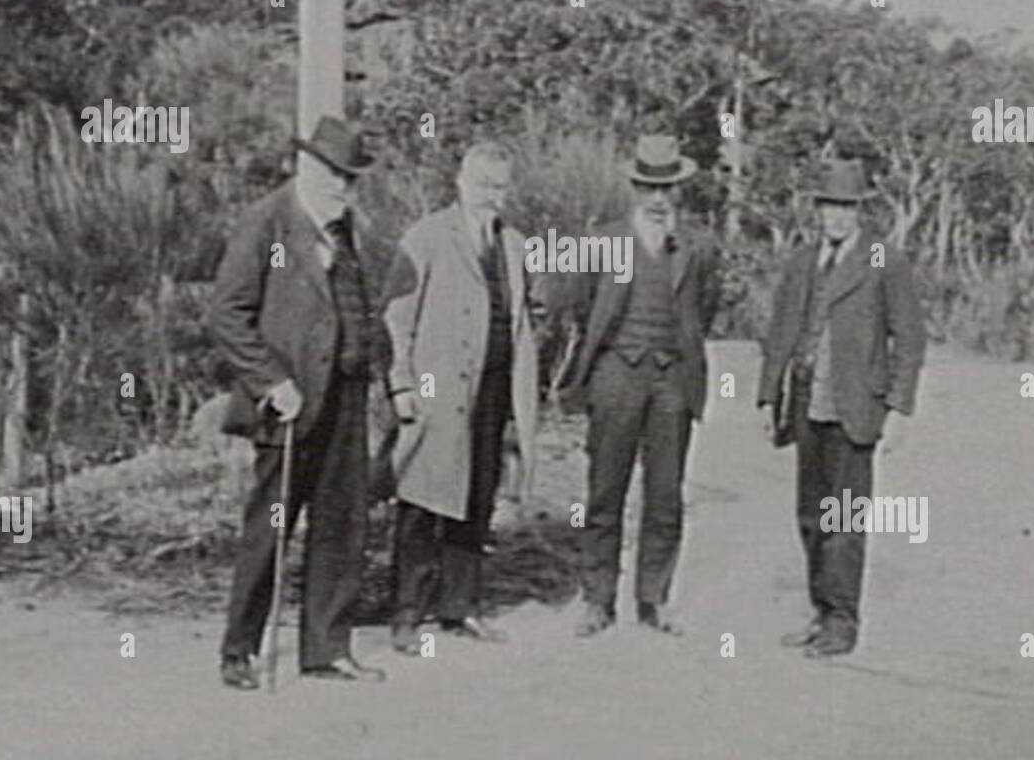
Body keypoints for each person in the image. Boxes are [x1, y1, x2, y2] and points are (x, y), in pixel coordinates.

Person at [210, 116, 391, 689]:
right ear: (307, 167)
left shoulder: (345, 229)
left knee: (342, 526)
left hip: (345, 397)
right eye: (335, 174)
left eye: (351, 177)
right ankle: (239, 652)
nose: (344, 187)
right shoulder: (267, 221)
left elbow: (356, 308)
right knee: (270, 527)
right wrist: (271, 382)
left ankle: (327, 649)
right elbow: (227, 316)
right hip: (287, 404)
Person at [756, 159, 926, 657]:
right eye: (828, 205)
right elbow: (781, 332)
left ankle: (843, 621)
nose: (835, 216)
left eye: (845, 207)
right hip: (807, 405)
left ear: (859, 211)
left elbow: (910, 340)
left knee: (845, 520)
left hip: (856, 408)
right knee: (811, 515)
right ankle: (820, 609)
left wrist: (897, 408)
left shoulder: (884, 261)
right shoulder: (803, 261)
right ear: (818, 209)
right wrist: (769, 397)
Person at [555, 134, 721, 637]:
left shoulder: (698, 247)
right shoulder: (601, 241)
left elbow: (704, 311)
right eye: (649, 187)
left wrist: (677, 355)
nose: (658, 199)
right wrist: (600, 366)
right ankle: (597, 599)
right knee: (604, 492)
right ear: (634, 188)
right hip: (616, 377)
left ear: (678, 191)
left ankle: (654, 599)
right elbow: (580, 309)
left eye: (667, 188)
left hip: (672, 380)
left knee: (666, 495)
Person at [383, 141, 538, 653]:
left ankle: (461, 606)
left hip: (491, 394)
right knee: (421, 502)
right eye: (482, 185)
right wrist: (402, 384)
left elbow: (520, 322)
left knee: (476, 498)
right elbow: (396, 318)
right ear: (460, 182)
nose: (491, 196)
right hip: (436, 393)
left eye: (500, 186)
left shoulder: (514, 245)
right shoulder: (426, 237)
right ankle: (406, 612)